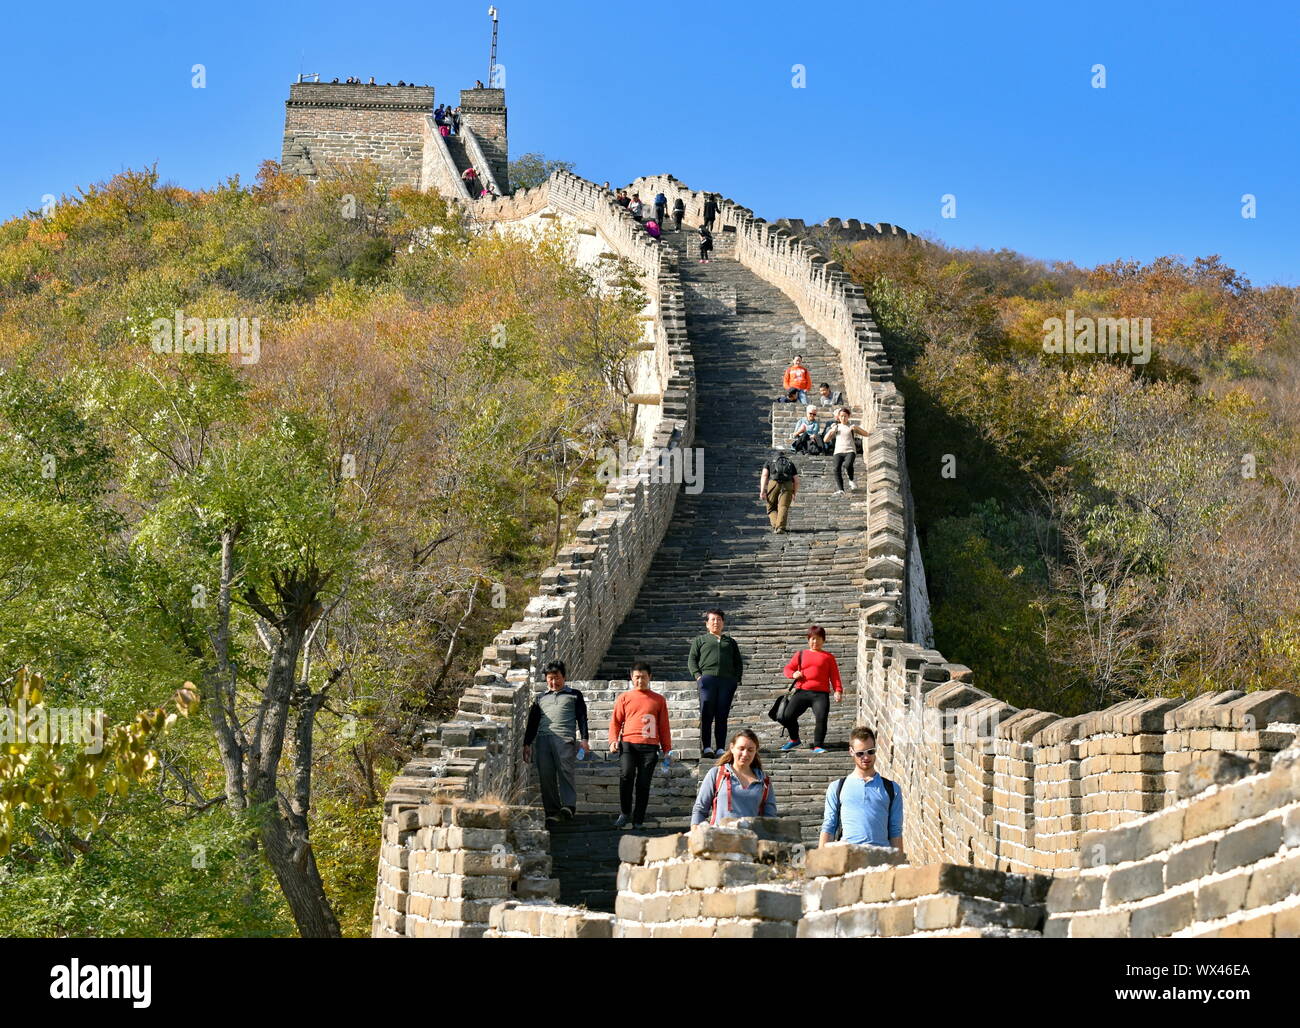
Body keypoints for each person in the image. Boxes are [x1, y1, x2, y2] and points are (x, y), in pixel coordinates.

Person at [522, 660, 591, 824]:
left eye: (557, 677)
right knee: (546, 776)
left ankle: (568, 807)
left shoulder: (574, 695)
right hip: (542, 740)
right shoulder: (540, 699)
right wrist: (527, 744)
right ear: (546, 679)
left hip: (565, 739)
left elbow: (582, 718)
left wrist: (584, 740)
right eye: (550, 678)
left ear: (564, 677)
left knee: (565, 771)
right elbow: (532, 723)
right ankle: (552, 811)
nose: (554, 682)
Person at [608, 662, 672, 829]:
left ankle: (638, 820)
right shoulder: (624, 698)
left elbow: (664, 726)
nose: (640, 680)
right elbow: (616, 721)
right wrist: (613, 740)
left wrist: (667, 749)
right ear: (631, 677)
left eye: (643, 677)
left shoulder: (658, 699)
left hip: (650, 747)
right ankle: (625, 813)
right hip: (628, 744)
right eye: (636, 677)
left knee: (643, 784)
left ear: (650, 677)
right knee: (626, 776)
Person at [818, 726, 903, 850]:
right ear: (851, 752)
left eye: (870, 751)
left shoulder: (892, 789)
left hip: (881, 858)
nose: (866, 757)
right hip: (848, 858)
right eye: (860, 753)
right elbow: (829, 826)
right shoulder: (837, 787)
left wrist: (900, 864)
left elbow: (895, 830)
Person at [687, 609, 744, 758]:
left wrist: (735, 679)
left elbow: (738, 662)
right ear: (707, 624)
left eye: (719, 619)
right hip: (707, 680)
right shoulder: (700, 641)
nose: (715, 622)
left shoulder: (730, 642)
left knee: (722, 715)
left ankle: (719, 747)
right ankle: (706, 747)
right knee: (707, 713)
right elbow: (692, 660)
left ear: (723, 623)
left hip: (727, 682)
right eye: (712, 620)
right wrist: (698, 676)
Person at [691, 730, 778, 825]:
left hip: (752, 838)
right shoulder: (717, 774)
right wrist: (696, 831)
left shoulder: (764, 781)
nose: (745, 754)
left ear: (755, 751)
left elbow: (770, 818)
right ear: (732, 748)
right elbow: (700, 809)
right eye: (741, 748)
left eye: (750, 750)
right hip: (720, 837)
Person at [778, 625, 843, 753]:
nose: (815, 642)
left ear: (823, 640)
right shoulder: (801, 654)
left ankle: (818, 745)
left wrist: (838, 690)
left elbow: (835, 676)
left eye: (818, 639)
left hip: (820, 695)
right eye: (812, 639)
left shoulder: (828, 657)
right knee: (787, 716)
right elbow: (788, 668)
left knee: (821, 718)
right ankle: (794, 739)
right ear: (808, 640)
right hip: (802, 692)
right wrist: (793, 674)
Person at [822, 407, 870, 494]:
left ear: (848, 416)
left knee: (848, 465)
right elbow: (825, 440)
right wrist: (831, 431)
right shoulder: (836, 427)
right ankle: (841, 489)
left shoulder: (851, 427)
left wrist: (856, 428)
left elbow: (866, 434)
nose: (843, 418)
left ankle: (851, 480)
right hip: (838, 451)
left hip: (850, 450)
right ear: (838, 417)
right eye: (841, 416)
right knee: (836, 468)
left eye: (845, 416)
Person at [759, 449, 799, 534]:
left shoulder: (769, 461)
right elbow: (796, 480)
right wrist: (794, 493)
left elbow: (764, 475)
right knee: (783, 506)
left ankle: (776, 525)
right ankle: (780, 527)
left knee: (771, 507)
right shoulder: (790, 463)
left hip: (774, 483)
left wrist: (762, 491)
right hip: (787, 484)